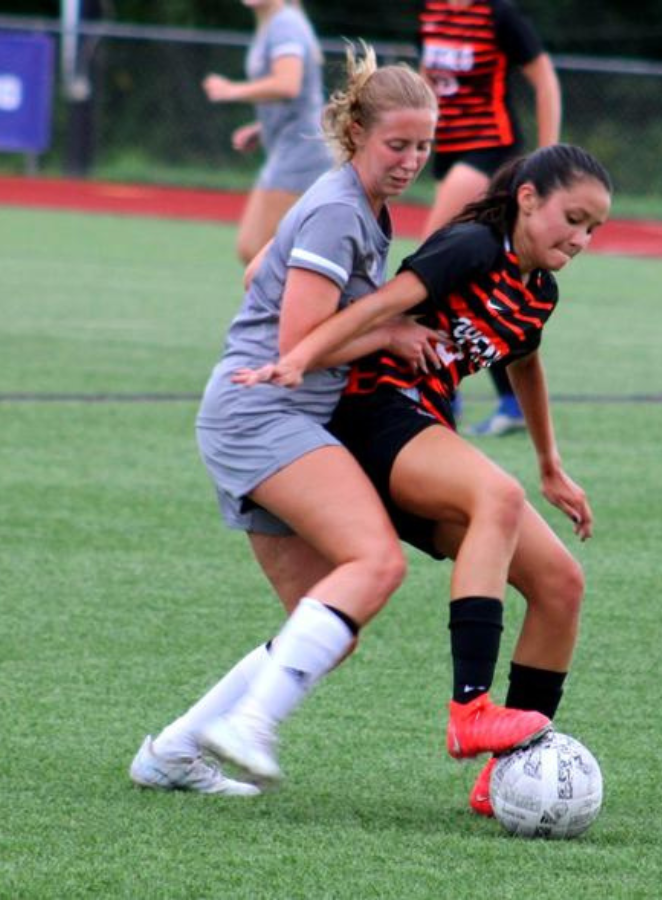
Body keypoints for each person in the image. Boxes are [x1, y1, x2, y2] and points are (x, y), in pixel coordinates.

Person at [130, 46, 542, 795]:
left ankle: (172, 752)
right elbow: (296, 344)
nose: (413, 159)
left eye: (424, 145)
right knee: (376, 563)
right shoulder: (336, 209)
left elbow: (261, 270)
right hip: (265, 414)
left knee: (322, 631)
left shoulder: (353, 208)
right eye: (398, 144)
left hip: (265, 416)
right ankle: (250, 725)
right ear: (356, 133)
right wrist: (386, 333)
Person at [235, 144, 613, 815]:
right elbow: (378, 309)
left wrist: (551, 464)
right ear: (528, 198)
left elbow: (522, 360)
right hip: (372, 413)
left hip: (421, 432)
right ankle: (469, 711)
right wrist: (297, 357)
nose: (581, 239)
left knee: (561, 584)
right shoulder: (470, 246)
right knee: (495, 495)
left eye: (594, 229)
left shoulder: (538, 291)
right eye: (573, 218)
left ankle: (503, 777)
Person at [419, 0, 562, 437]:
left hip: (493, 149)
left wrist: (546, 159)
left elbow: (546, 82)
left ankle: (438, 389)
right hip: (450, 151)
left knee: (431, 258)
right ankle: (509, 399)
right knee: (478, 274)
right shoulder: (431, 11)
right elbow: (425, 83)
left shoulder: (499, 14)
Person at [203, 0, 335, 265]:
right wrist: (262, 128)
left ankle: (305, 304)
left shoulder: (285, 24)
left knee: (267, 255)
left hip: (302, 151)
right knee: (252, 249)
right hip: (286, 146)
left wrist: (232, 90)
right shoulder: (275, 22)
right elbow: (304, 96)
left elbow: (288, 85)